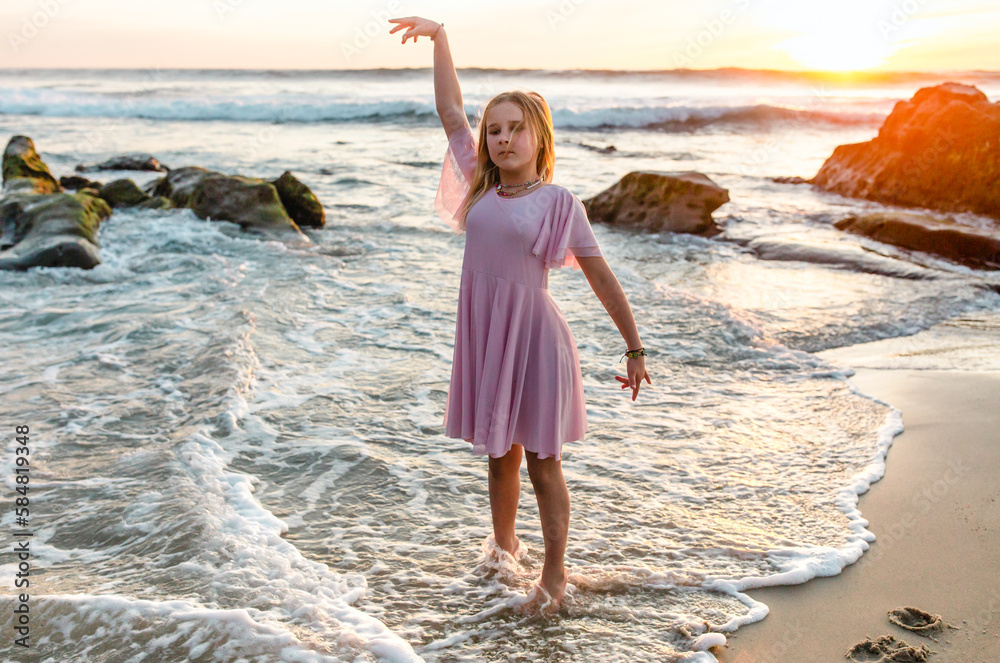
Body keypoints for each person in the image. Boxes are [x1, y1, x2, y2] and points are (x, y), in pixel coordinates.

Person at [388, 16, 651, 614]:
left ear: (540, 137)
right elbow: (451, 112)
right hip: (487, 336)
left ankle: (554, 576)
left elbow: (600, 276)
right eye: (495, 131)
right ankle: (503, 555)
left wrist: (634, 348)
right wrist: (440, 36)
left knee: (541, 462)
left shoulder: (559, 203)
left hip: (535, 340)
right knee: (497, 455)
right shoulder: (481, 188)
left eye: (516, 130)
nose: (503, 139)